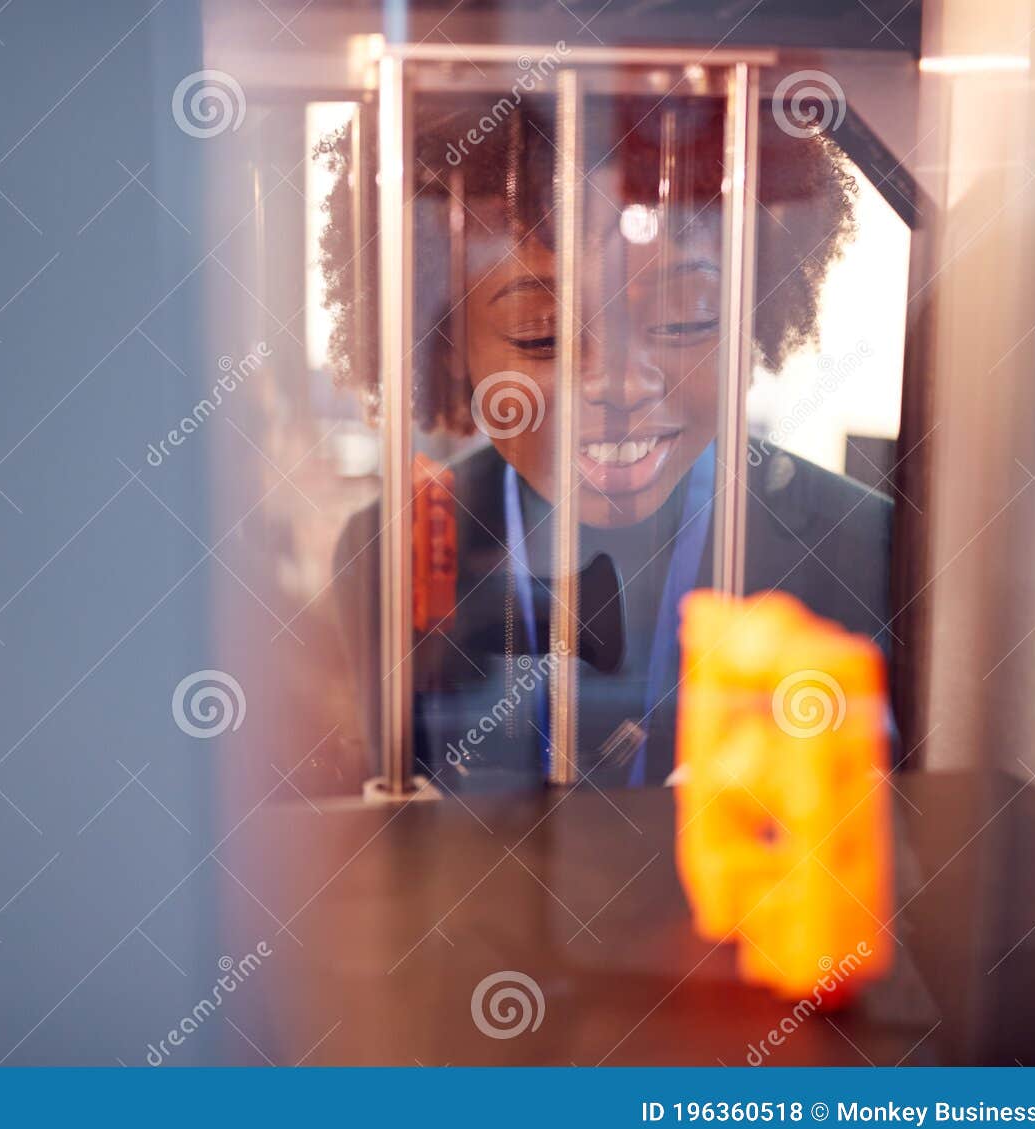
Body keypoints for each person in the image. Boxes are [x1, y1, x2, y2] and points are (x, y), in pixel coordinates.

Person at [319, 91, 892, 790]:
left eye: (684, 320)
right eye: (541, 334)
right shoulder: (385, 554)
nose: (620, 384)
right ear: (446, 345)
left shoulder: (868, 552)